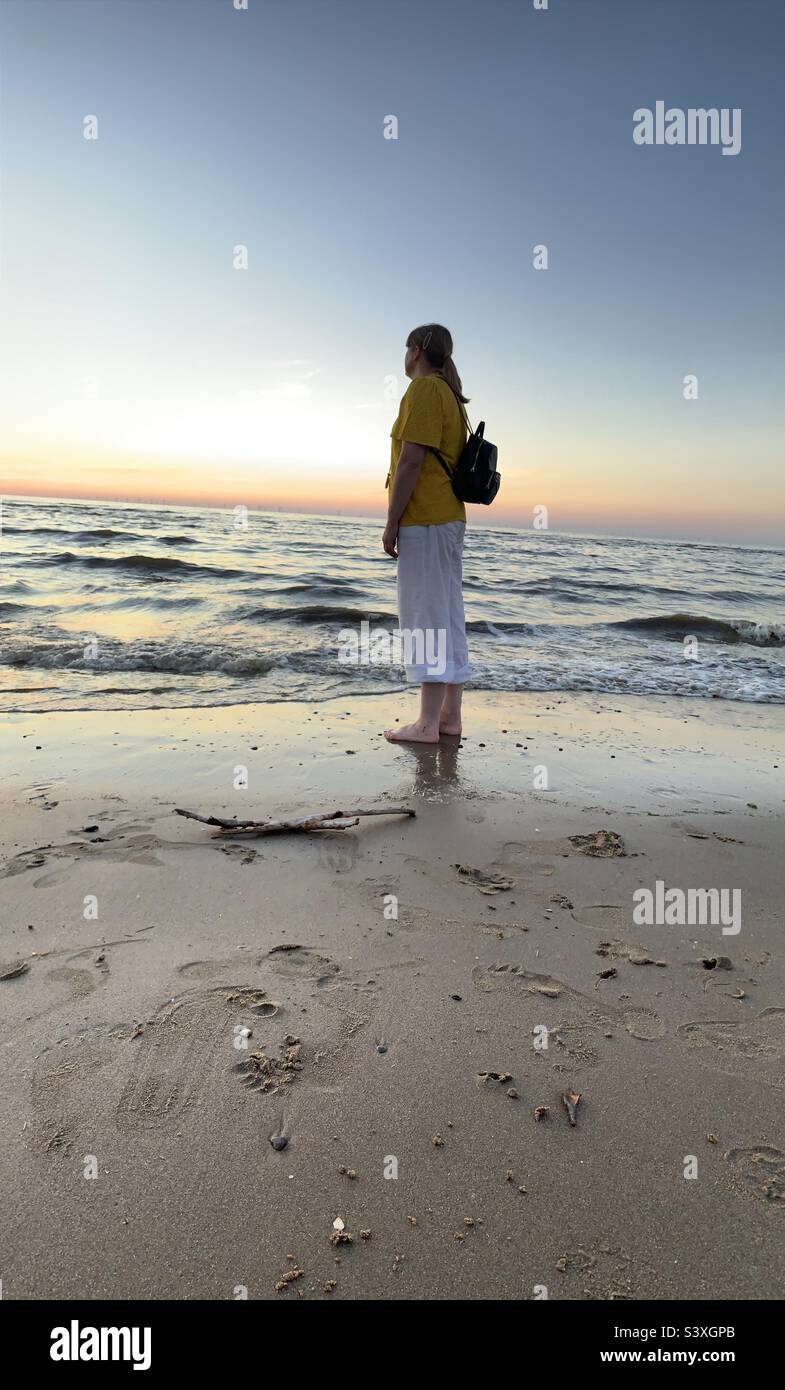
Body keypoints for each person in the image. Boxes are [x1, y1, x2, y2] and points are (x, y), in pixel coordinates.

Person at [383, 323, 472, 743]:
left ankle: (426, 724)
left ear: (417, 350)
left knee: (425, 617)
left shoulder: (424, 391)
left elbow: (410, 462)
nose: (404, 356)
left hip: (427, 518)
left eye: (406, 349)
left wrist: (392, 520)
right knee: (448, 616)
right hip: (449, 519)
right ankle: (449, 717)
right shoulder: (452, 398)